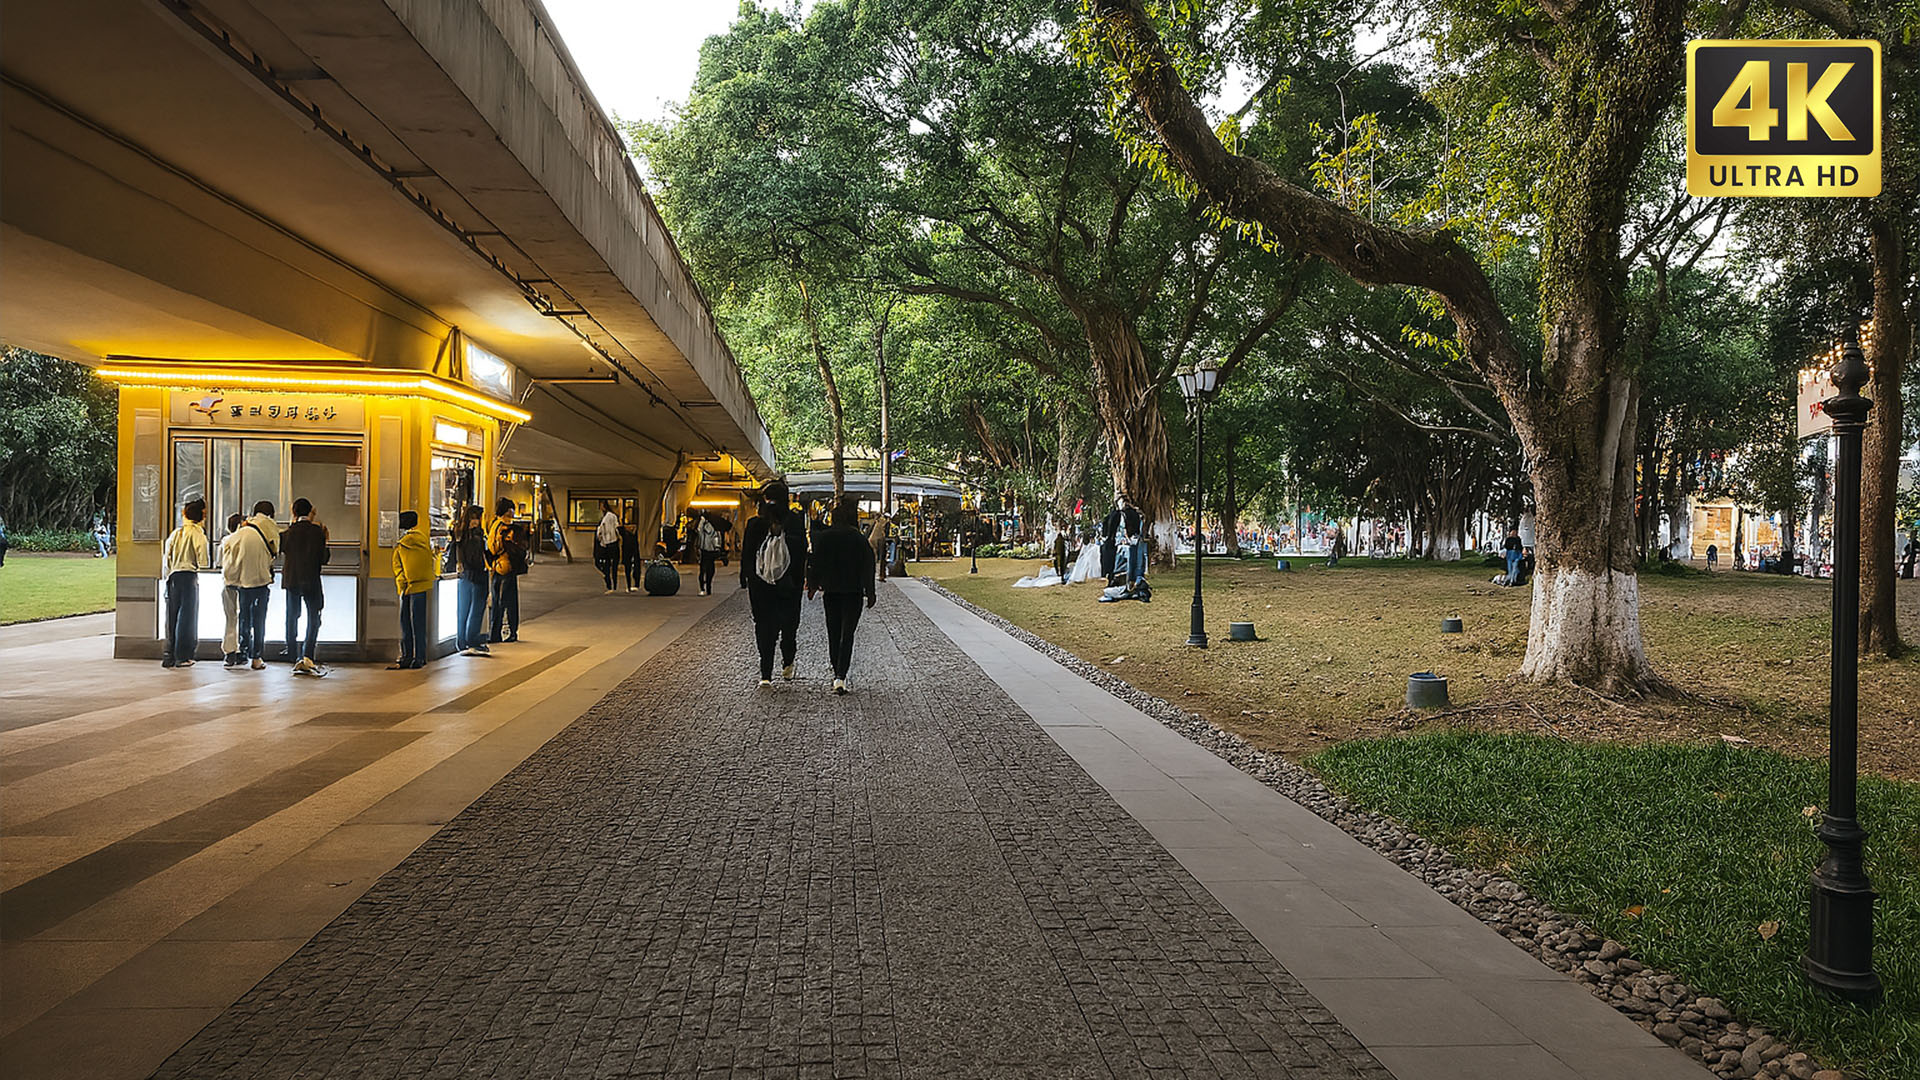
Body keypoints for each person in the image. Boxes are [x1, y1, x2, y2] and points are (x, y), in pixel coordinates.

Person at [741, 480, 807, 687]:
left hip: (760, 585)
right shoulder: (794, 521)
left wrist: (746, 577)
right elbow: (802, 553)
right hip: (789, 584)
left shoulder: (755, 524)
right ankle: (788, 663)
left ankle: (765, 673)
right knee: (789, 626)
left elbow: (747, 554)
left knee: (763, 625)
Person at [808, 496, 877, 694]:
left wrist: (812, 584)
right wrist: (870, 591)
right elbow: (868, 566)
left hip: (831, 591)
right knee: (847, 634)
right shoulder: (859, 539)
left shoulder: (826, 538)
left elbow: (816, 561)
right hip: (853, 592)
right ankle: (841, 674)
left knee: (833, 631)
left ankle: (836, 671)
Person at [281, 498, 330, 675]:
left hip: (292, 580)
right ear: (310, 512)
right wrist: (326, 541)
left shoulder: (287, 533)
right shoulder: (318, 532)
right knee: (313, 617)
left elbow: (281, 550)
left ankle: (292, 654)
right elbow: (324, 559)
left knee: (292, 616)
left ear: (293, 512)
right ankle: (308, 654)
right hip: (312, 580)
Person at [160, 498, 209, 668]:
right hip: (188, 576)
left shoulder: (176, 533)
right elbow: (203, 559)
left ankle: (169, 655)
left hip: (173, 576)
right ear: (201, 515)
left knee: (172, 616)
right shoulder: (198, 533)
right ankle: (183, 656)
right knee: (187, 617)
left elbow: (167, 557)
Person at [229, 501, 279, 670]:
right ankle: (257, 657)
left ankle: (243, 651)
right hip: (261, 581)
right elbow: (275, 549)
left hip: (243, 581)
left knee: (244, 617)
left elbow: (231, 548)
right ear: (270, 513)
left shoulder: (243, 529)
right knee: (259, 619)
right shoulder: (270, 526)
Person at [391, 510, 433, 669]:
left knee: (405, 623)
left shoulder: (402, 544)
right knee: (419, 624)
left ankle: (407, 655)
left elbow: (398, 566)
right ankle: (420, 657)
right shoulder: (423, 540)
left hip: (407, 587)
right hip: (422, 586)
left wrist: (403, 584)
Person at [450, 504, 490, 654]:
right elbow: (476, 557)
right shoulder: (475, 535)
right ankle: (472, 640)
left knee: (463, 609)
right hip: (477, 575)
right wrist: (485, 565)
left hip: (465, 575)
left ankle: (461, 641)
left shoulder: (459, 533)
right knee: (476, 609)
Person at [487, 497, 524, 641]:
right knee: (510, 601)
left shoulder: (496, 525)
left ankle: (495, 633)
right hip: (510, 566)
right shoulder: (510, 527)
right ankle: (512, 632)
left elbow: (493, 548)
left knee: (498, 602)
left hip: (499, 567)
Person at [218, 513, 245, 667]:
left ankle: (230, 652)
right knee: (244, 618)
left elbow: (218, 562)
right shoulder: (244, 540)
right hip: (244, 583)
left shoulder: (225, 541)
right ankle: (242, 650)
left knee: (230, 619)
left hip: (228, 583)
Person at [1101, 495, 1142, 586]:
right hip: (1115, 542)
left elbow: (1132, 528)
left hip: (1127, 542)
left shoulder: (1130, 514)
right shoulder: (1114, 514)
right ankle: (1113, 577)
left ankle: (1129, 578)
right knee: (1115, 561)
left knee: (1128, 561)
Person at [695, 509, 725, 596]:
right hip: (709, 550)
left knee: (704, 570)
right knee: (709, 569)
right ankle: (707, 586)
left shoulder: (704, 524)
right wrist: (717, 547)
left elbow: (699, 532)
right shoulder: (713, 525)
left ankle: (704, 587)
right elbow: (716, 537)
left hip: (705, 549)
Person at [594, 499, 621, 593]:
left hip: (608, 542)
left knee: (607, 564)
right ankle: (613, 584)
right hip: (612, 542)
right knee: (613, 565)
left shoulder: (608, 517)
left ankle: (610, 583)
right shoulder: (611, 516)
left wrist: (600, 538)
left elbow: (601, 531)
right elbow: (616, 528)